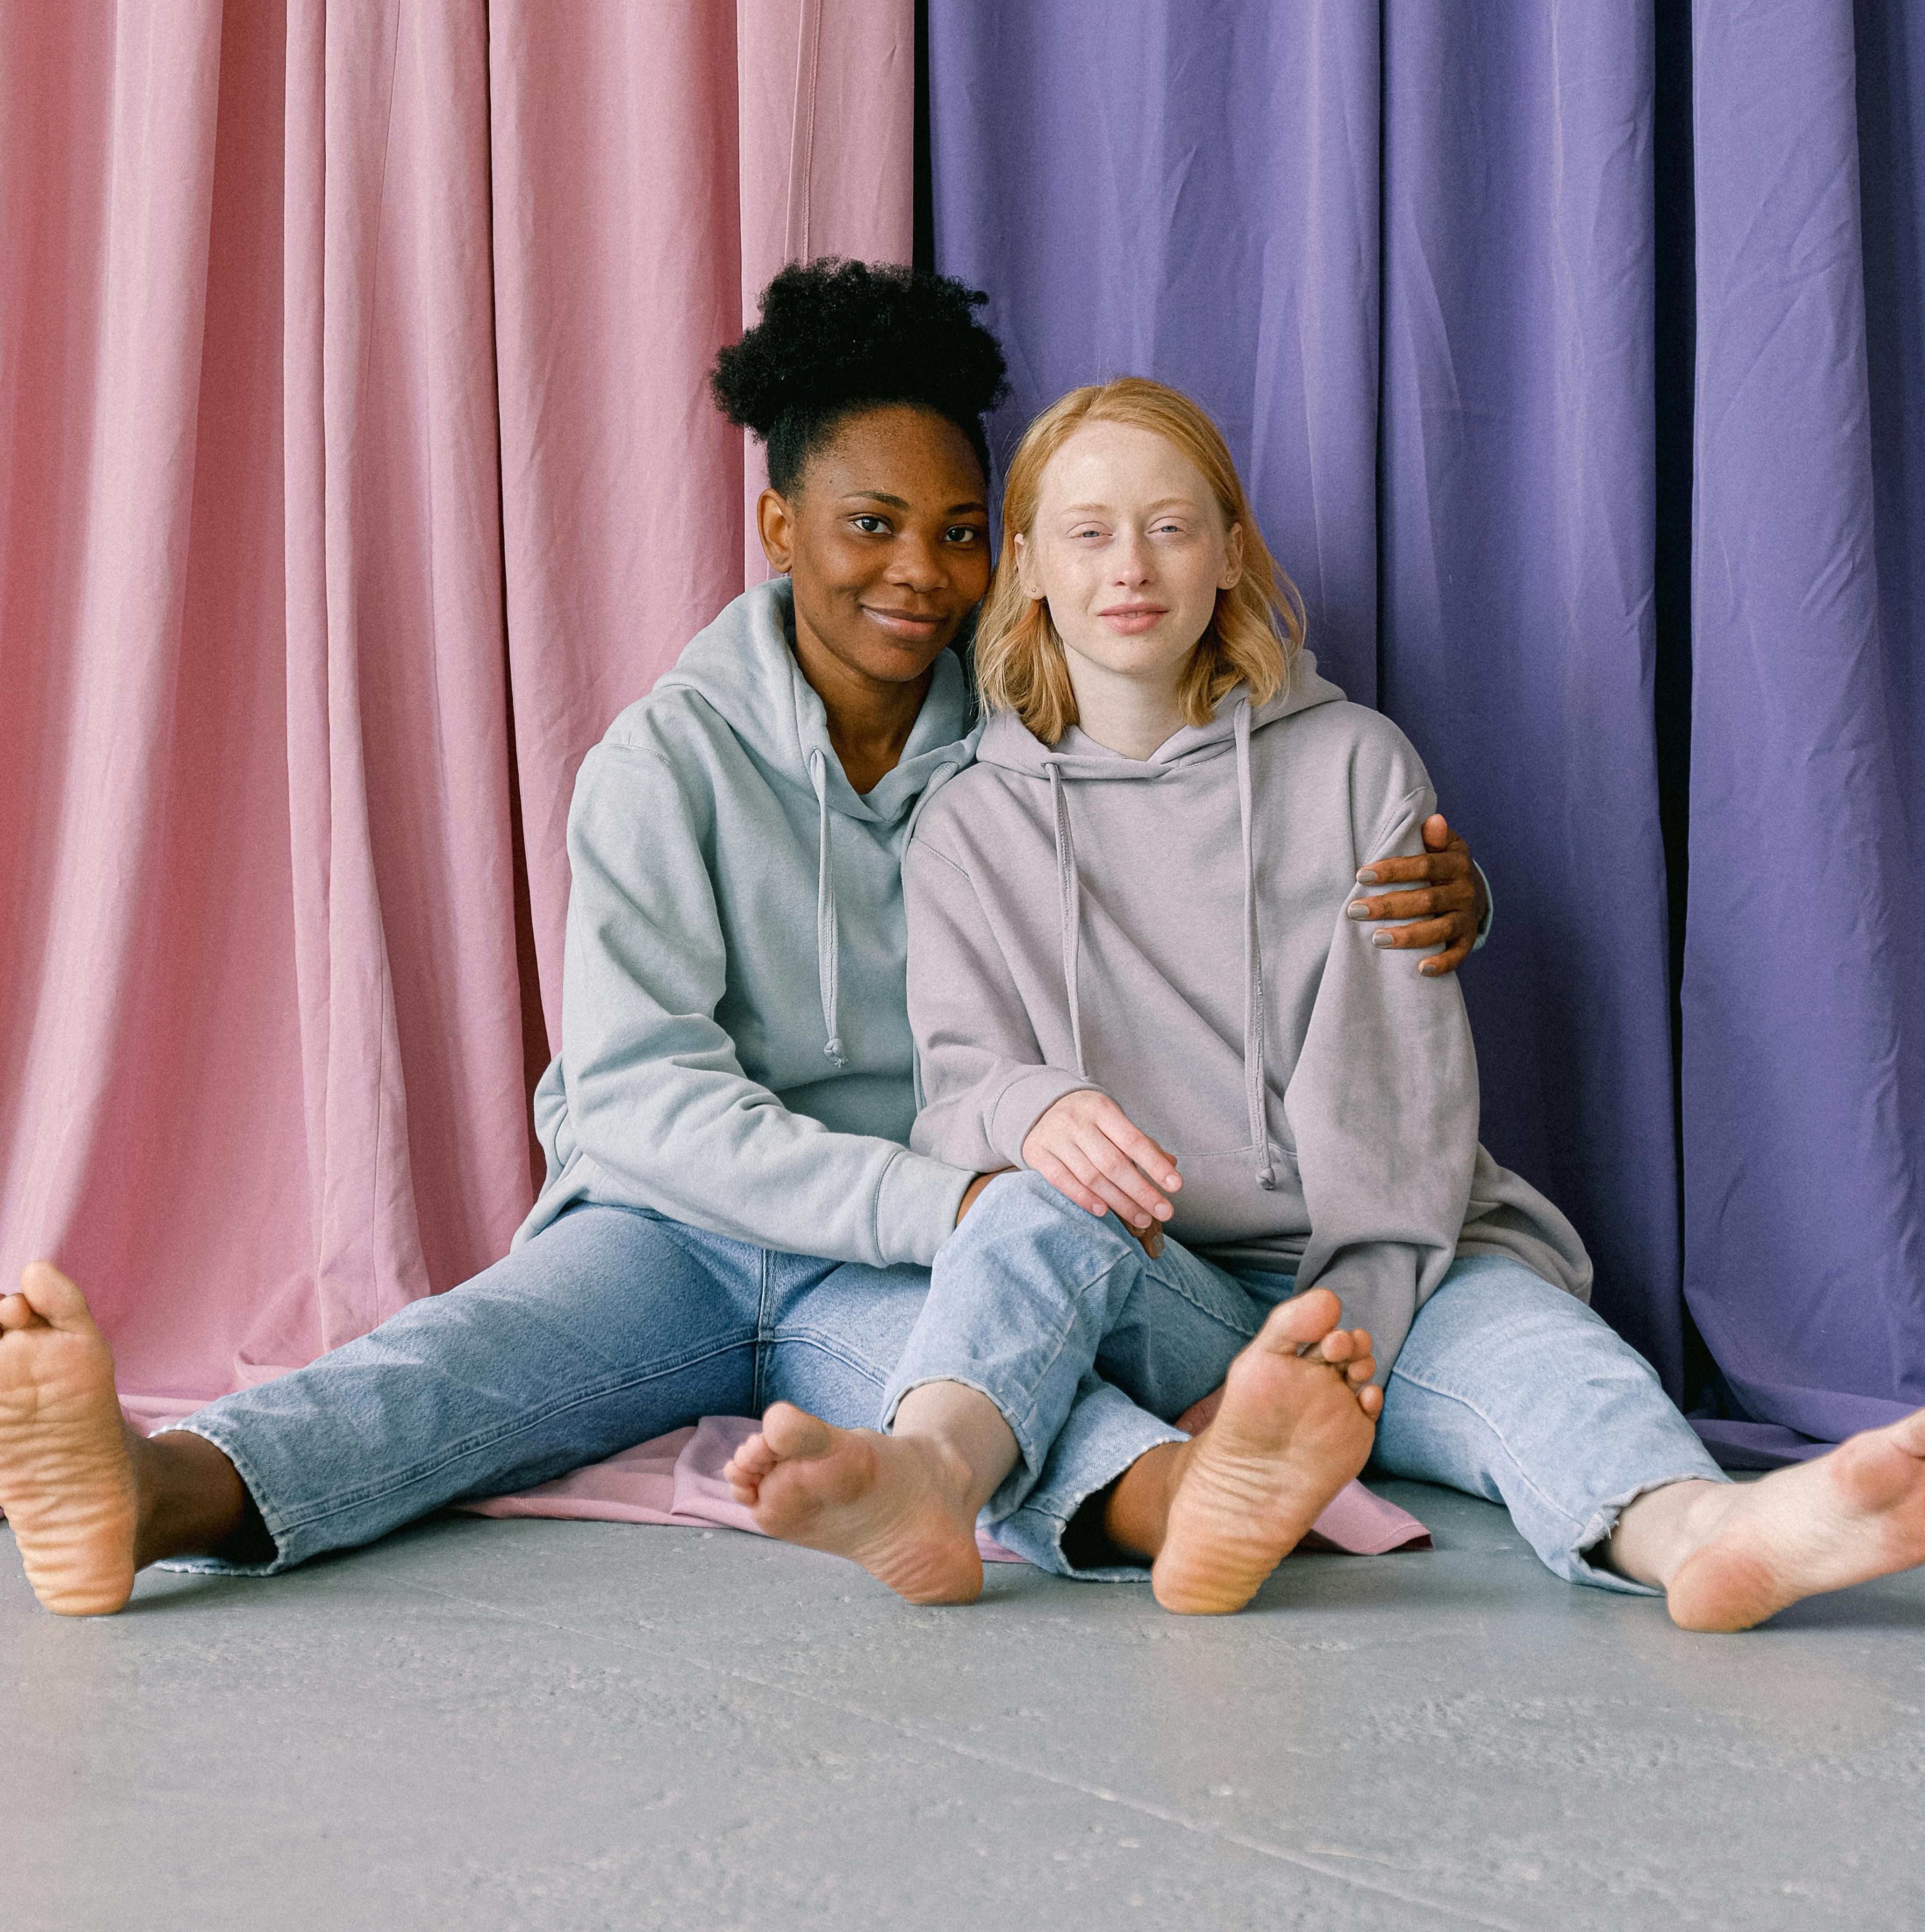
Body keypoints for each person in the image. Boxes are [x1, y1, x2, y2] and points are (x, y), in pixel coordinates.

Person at [0, 273, 1485, 1620]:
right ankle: (148, 1492)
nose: (920, 570)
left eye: (960, 532)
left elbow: (1228, 754)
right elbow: (643, 1102)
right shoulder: (659, 767)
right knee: (448, 1368)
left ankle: (1197, 1510)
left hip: (906, 1255)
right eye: (871, 525)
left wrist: (1433, 882)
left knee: (976, 1395)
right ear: (781, 527)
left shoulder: (1026, 720)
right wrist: (948, 1196)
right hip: (678, 1229)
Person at [725, 378, 1925, 1626]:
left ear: (1231, 550)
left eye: (1172, 526)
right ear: (1023, 564)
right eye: (1087, 532)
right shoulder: (969, 825)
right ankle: (932, 1473)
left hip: (1394, 1267)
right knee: (1024, 1225)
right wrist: (1031, 1111)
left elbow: (1400, 1120)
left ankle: (1708, 1530)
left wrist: (1323, 1353)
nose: (1130, 566)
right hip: (1154, 1277)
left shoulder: (1358, 767)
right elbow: (958, 1090)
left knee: (1550, 1362)